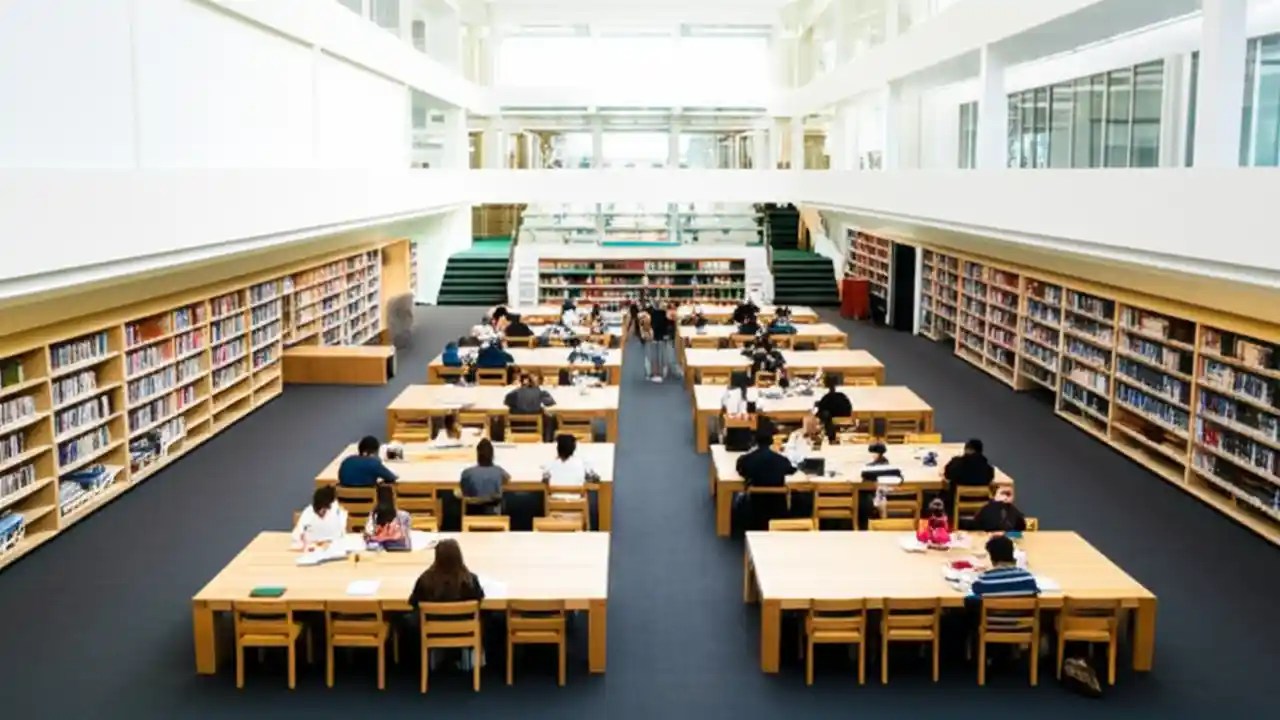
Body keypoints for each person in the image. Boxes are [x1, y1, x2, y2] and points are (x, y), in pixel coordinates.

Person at [407, 539, 486, 671]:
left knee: (405, 620)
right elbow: (480, 601)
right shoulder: (470, 580)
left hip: (432, 630)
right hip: (464, 629)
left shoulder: (425, 580)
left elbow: (413, 603)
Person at [734, 427, 796, 530]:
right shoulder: (781, 460)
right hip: (778, 508)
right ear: (771, 442)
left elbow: (741, 470)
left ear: (754, 441)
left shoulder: (748, 460)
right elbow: (791, 470)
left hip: (754, 508)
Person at [968, 534, 1038, 599]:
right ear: (1012, 554)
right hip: (1023, 612)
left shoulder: (983, 581)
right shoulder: (1027, 578)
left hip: (991, 611)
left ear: (992, 559)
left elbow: (974, 594)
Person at [459, 438, 510, 515]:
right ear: (492, 456)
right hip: (494, 515)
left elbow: (464, 490)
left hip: (471, 515)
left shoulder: (467, 473)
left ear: (478, 455)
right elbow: (507, 480)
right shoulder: (499, 472)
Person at [944, 438, 995, 511]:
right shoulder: (988, 468)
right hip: (981, 504)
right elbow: (991, 479)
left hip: (958, 502)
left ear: (968, 449)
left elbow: (947, 475)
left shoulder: (957, 464)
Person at [364, 484, 412, 549]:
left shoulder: (373, 516)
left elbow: (367, 538)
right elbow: (407, 542)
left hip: (378, 550)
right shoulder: (404, 515)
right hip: (399, 550)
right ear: (393, 497)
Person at [720, 371, 758, 451]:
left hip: (738, 427)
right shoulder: (735, 394)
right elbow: (732, 415)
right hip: (738, 431)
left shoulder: (730, 391)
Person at [814, 373, 854, 442]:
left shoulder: (826, 398)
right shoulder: (842, 396)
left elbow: (819, 412)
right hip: (845, 420)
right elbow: (849, 409)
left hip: (830, 423)